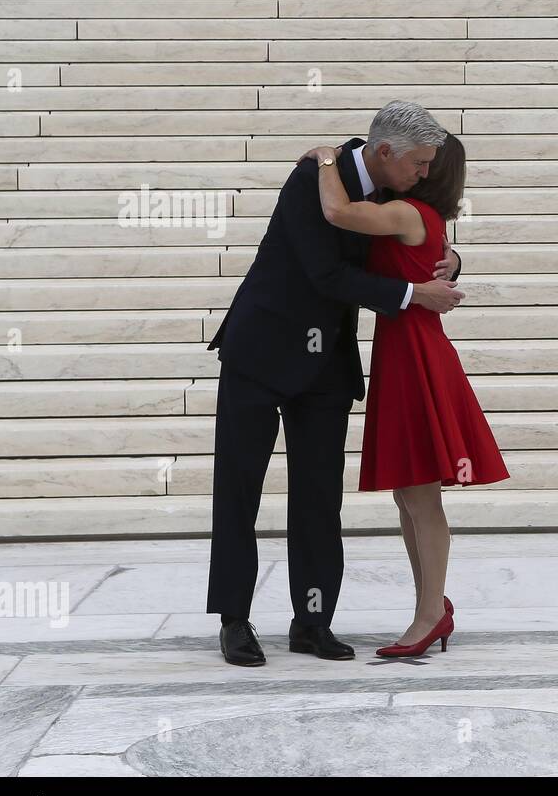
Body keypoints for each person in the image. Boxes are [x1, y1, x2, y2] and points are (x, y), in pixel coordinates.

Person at [206, 100, 464, 667]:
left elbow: (415, 236)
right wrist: (412, 296)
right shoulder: (314, 178)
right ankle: (233, 619)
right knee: (239, 490)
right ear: (387, 151)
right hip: (260, 350)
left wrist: (449, 260)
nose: (424, 175)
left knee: (319, 496)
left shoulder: (390, 189)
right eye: (418, 164)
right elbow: (327, 272)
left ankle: (312, 621)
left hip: (326, 364)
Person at [300, 132, 509, 659]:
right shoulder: (417, 217)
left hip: (415, 354)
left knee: (420, 495)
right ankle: (430, 605)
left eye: (424, 162)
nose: (418, 167)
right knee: (408, 494)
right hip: (405, 349)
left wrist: (326, 158)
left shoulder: (410, 214)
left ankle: (430, 614)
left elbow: (338, 213)